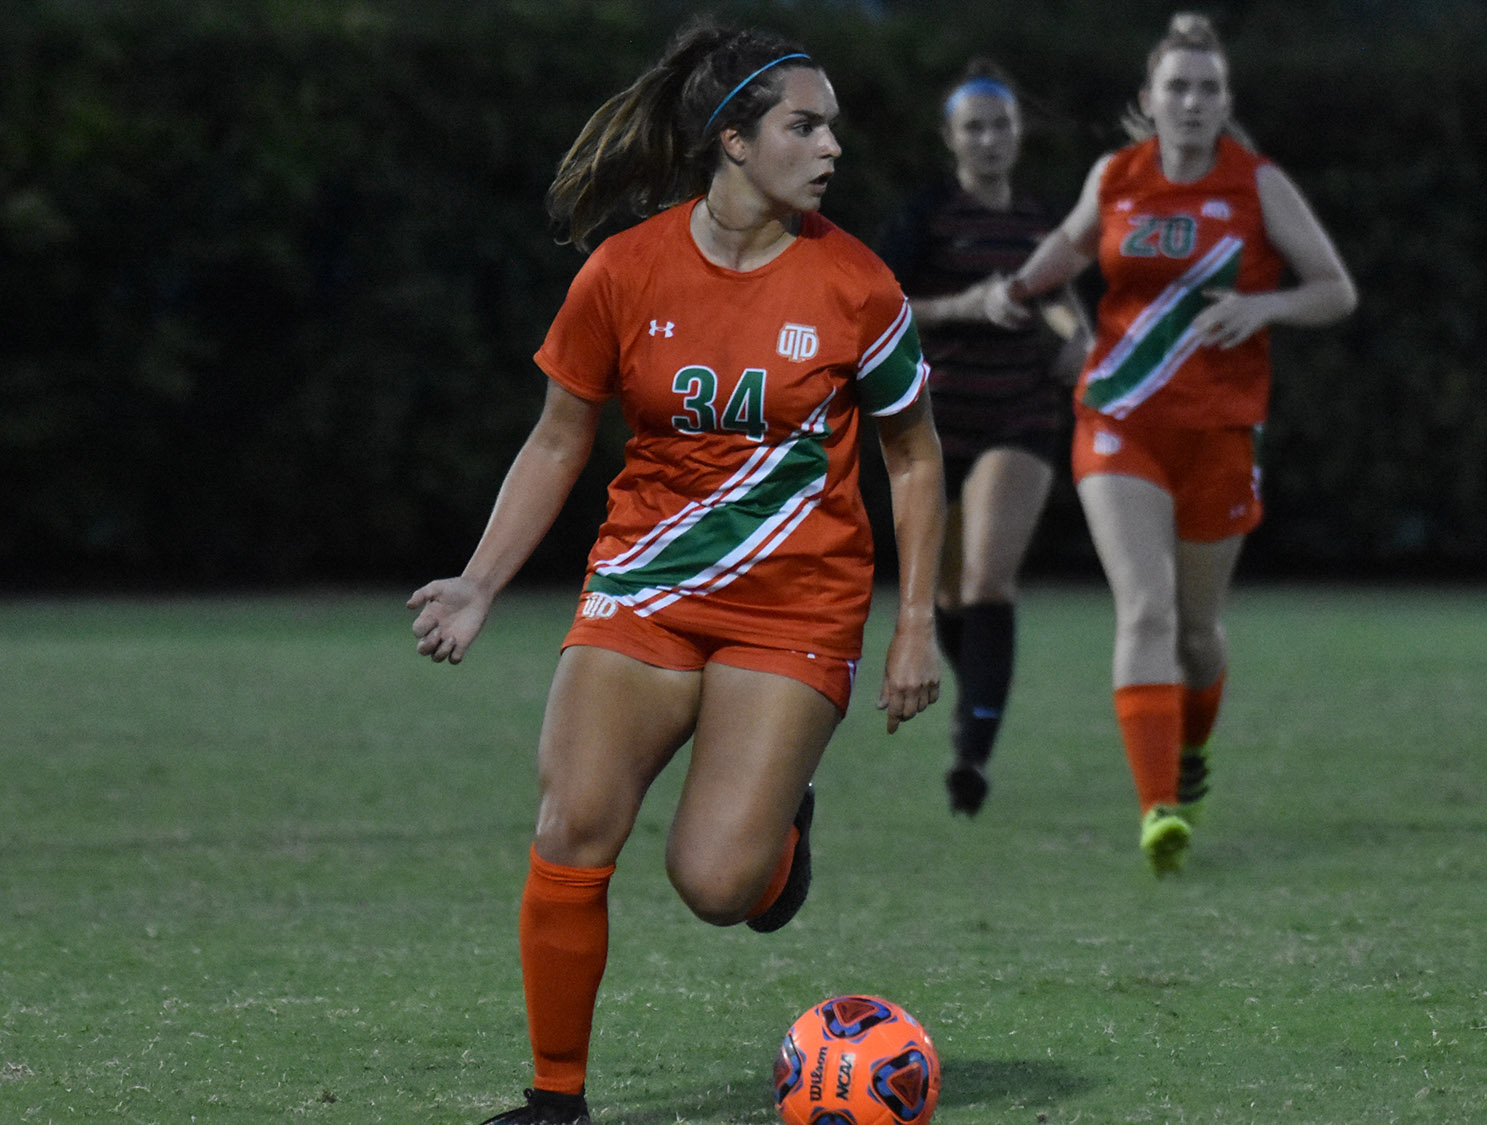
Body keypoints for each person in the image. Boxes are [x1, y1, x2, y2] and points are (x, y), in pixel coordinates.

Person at [406, 21, 944, 1125]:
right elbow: (558, 438)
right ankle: (555, 1099)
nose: (832, 147)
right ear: (733, 140)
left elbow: (915, 457)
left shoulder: (858, 286)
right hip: (642, 592)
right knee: (572, 825)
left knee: (715, 885)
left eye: (833, 127)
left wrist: (914, 624)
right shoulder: (622, 271)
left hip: (793, 611)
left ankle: (779, 833)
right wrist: (478, 581)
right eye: (805, 125)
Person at [996, 12, 1357, 876]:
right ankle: (1159, 808)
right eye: (1178, 87)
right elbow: (1071, 244)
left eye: (1208, 88)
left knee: (1197, 633)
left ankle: (1193, 751)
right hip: (1118, 418)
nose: (1192, 102)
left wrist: (1265, 306)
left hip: (1219, 432)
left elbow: (1334, 290)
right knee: (1146, 608)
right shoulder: (1117, 175)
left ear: (1225, 103)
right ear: (1149, 100)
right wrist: (1017, 288)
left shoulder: (1258, 185)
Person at [873, 60, 1089, 817]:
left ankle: (972, 752)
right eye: (974, 128)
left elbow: (1056, 293)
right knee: (947, 591)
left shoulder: (1039, 217)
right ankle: (978, 702)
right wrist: (966, 304)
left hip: (1020, 412)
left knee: (989, 578)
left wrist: (1078, 337)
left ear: (1017, 132)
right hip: (933, 420)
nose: (989, 139)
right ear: (950, 137)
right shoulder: (927, 215)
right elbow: (881, 307)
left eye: (1001, 126)